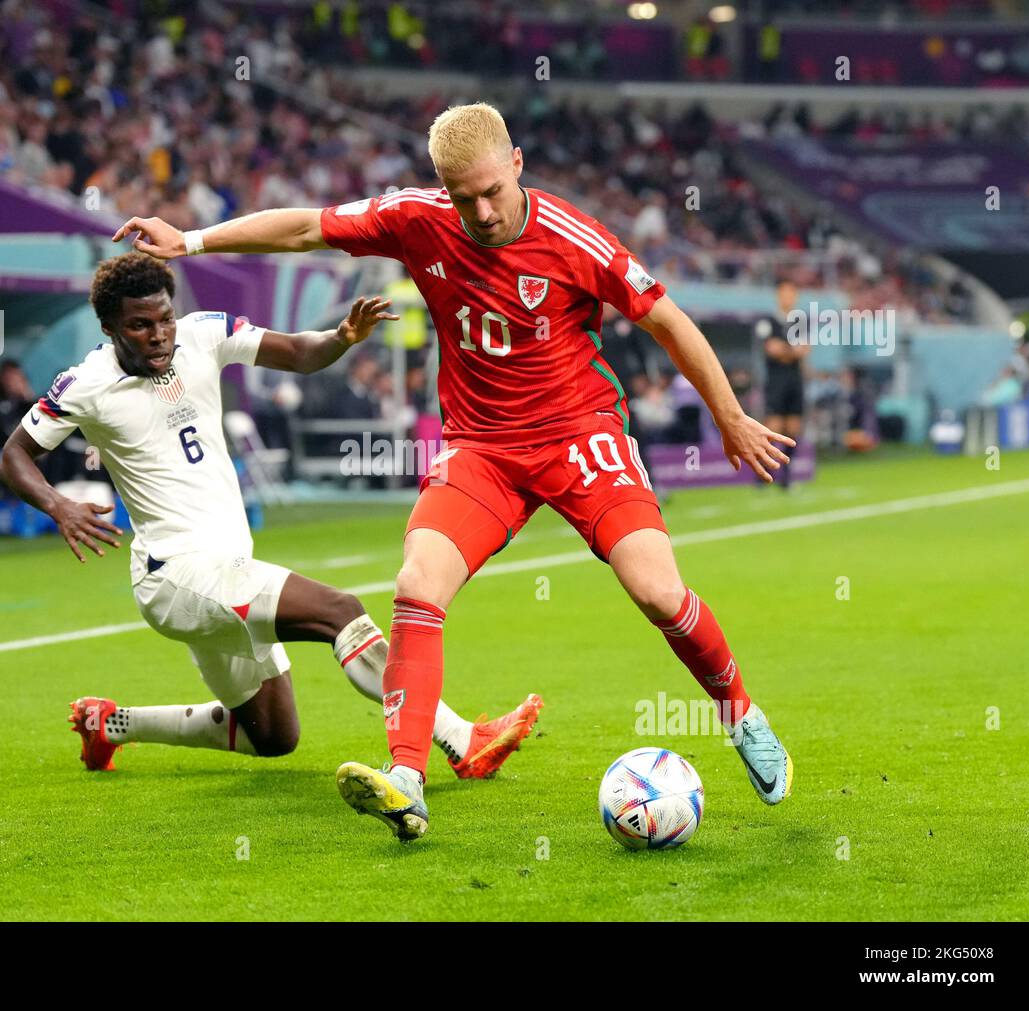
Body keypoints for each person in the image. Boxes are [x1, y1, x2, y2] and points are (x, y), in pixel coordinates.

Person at [114, 102, 796, 842]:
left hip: (579, 437)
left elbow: (668, 320)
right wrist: (191, 240)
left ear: (517, 164)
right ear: (443, 187)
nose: (481, 211)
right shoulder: (417, 218)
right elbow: (306, 225)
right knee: (416, 584)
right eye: (463, 196)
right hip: (481, 448)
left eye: (492, 191)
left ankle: (741, 714)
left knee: (658, 589)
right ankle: (407, 779)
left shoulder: (575, 238)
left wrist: (728, 415)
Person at [0, 253, 542, 780]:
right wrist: (58, 505)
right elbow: (14, 456)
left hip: (226, 567)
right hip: (177, 576)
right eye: (141, 326)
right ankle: (460, 740)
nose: (160, 334)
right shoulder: (86, 383)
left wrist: (339, 339)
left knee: (274, 736)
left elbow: (299, 352)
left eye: (164, 318)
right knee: (341, 612)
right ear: (110, 325)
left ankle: (110, 725)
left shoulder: (203, 333)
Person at [758, 280, 811, 489]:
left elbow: (804, 349)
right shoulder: (768, 321)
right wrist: (792, 351)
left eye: (792, 293)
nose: (788, 297)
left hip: (795, 380)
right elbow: (772, 348)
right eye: (785, 292)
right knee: (774, 427)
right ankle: (763, 473)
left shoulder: (800, 321)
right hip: (776, 380)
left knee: (794, 428)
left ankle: (787, 477)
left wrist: (785, 350)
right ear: (778, 295)